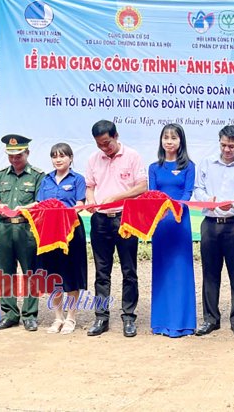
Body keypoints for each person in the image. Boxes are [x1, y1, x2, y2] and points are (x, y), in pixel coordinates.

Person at [85, 120, 148, 337]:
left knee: (129, 270)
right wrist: (91, 200)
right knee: (102, 271)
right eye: (99, 144)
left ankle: (129, 317)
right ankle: (101, 317)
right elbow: (90, 186)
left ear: (116, 136)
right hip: (100, 220)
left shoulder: (132, 156)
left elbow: (142, 186)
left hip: (125, 219)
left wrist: (116, 197)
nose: (104, 148)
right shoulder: (94, 159)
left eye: (107, 143)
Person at [193, 125, 234, 338]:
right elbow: (198, 189)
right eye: (223, 145)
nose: (227, 149)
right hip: (210, 224)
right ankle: (210, 319)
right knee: (210, 273)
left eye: (231, 146)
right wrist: (206, 200)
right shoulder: (207, 163)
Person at [0, 134, 45, 331]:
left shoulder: (38, 175)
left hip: (26, 227)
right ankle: (10, 313)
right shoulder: (0, 175)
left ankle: (30, 315)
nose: (14, 159)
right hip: (4, 227)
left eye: (18, 155)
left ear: (27, 153)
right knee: (5, 272)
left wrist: (25, 208)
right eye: (11, 156)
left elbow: (41, 202)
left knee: (30, 271)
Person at [148, 123, 196, 337]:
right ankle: (160, 322)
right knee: (162, 270)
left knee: (181, 270)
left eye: (174, 138)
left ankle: (183, 323)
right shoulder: (154, 167)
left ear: (181, 141)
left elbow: (187, 193)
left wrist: (175, 208)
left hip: (179, 223)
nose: (169, 141)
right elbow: (153, 193)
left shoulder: (189, 166)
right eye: (166, 137)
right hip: (160, 224)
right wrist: (163, 210)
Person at [36, 142, 88, 335]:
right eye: (54, 156)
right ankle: (57, 317)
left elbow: (80, 204)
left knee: (71, 274)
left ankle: (71, 318)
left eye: (62, 156)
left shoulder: (78, 179)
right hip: (49, 232)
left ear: (70, 158)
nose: (58, 160)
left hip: (71, 231)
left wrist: (63, 212)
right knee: (53, 275)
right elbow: (40, 204)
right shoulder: (46, 180)